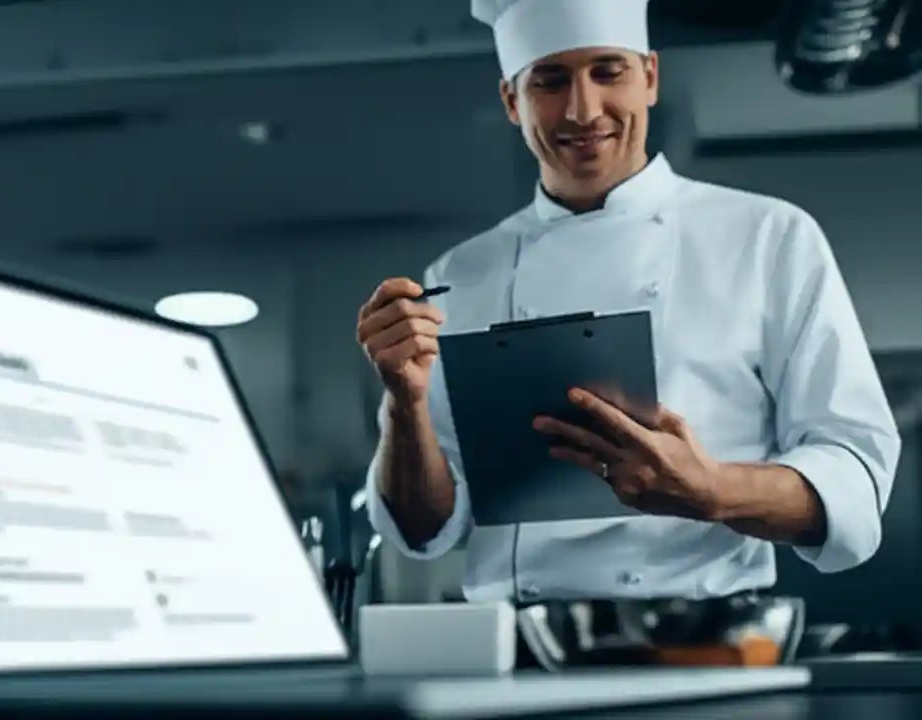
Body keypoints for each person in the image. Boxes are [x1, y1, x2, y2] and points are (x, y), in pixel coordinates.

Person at [356, 0, 901, 604]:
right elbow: (426, 528)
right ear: (513, 101)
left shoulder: (768, 236)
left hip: (696, 648)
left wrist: (713, 489)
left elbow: (853, 471)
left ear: (650, 77)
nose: (583, 110)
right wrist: (403, 407)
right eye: (550, 80)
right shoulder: (460, 273)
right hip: (513, 659)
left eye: (608, 71)